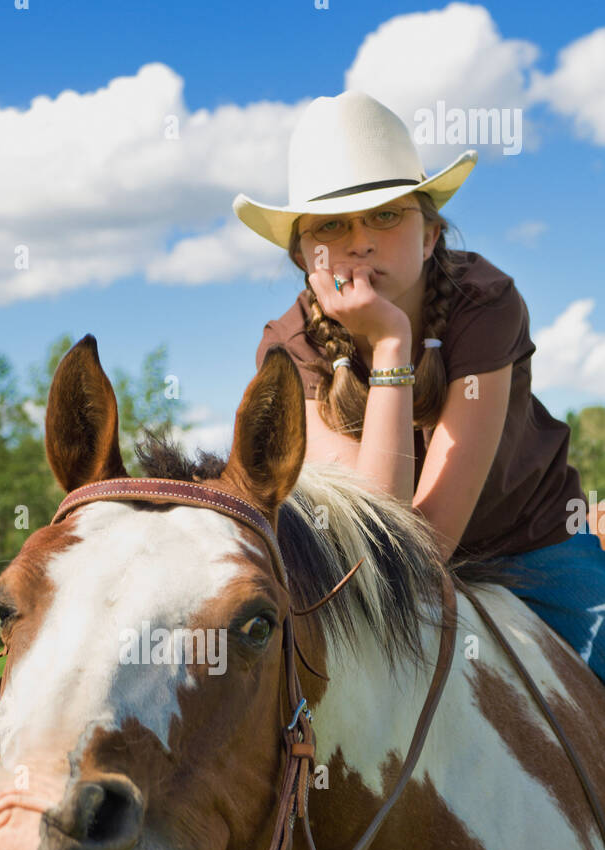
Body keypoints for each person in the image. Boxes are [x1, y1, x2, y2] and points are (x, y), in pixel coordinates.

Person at [232, 90, 605, 683]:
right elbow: (378, 548)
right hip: (391, 578)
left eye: (386, 214)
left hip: (533, 547)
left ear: (431, 236)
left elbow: (424, 546)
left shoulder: (485, 302)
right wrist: (388, 347)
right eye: (331, 225)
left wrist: (390, 343)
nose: (360, 240)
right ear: (305, 255)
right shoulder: (291, 348)